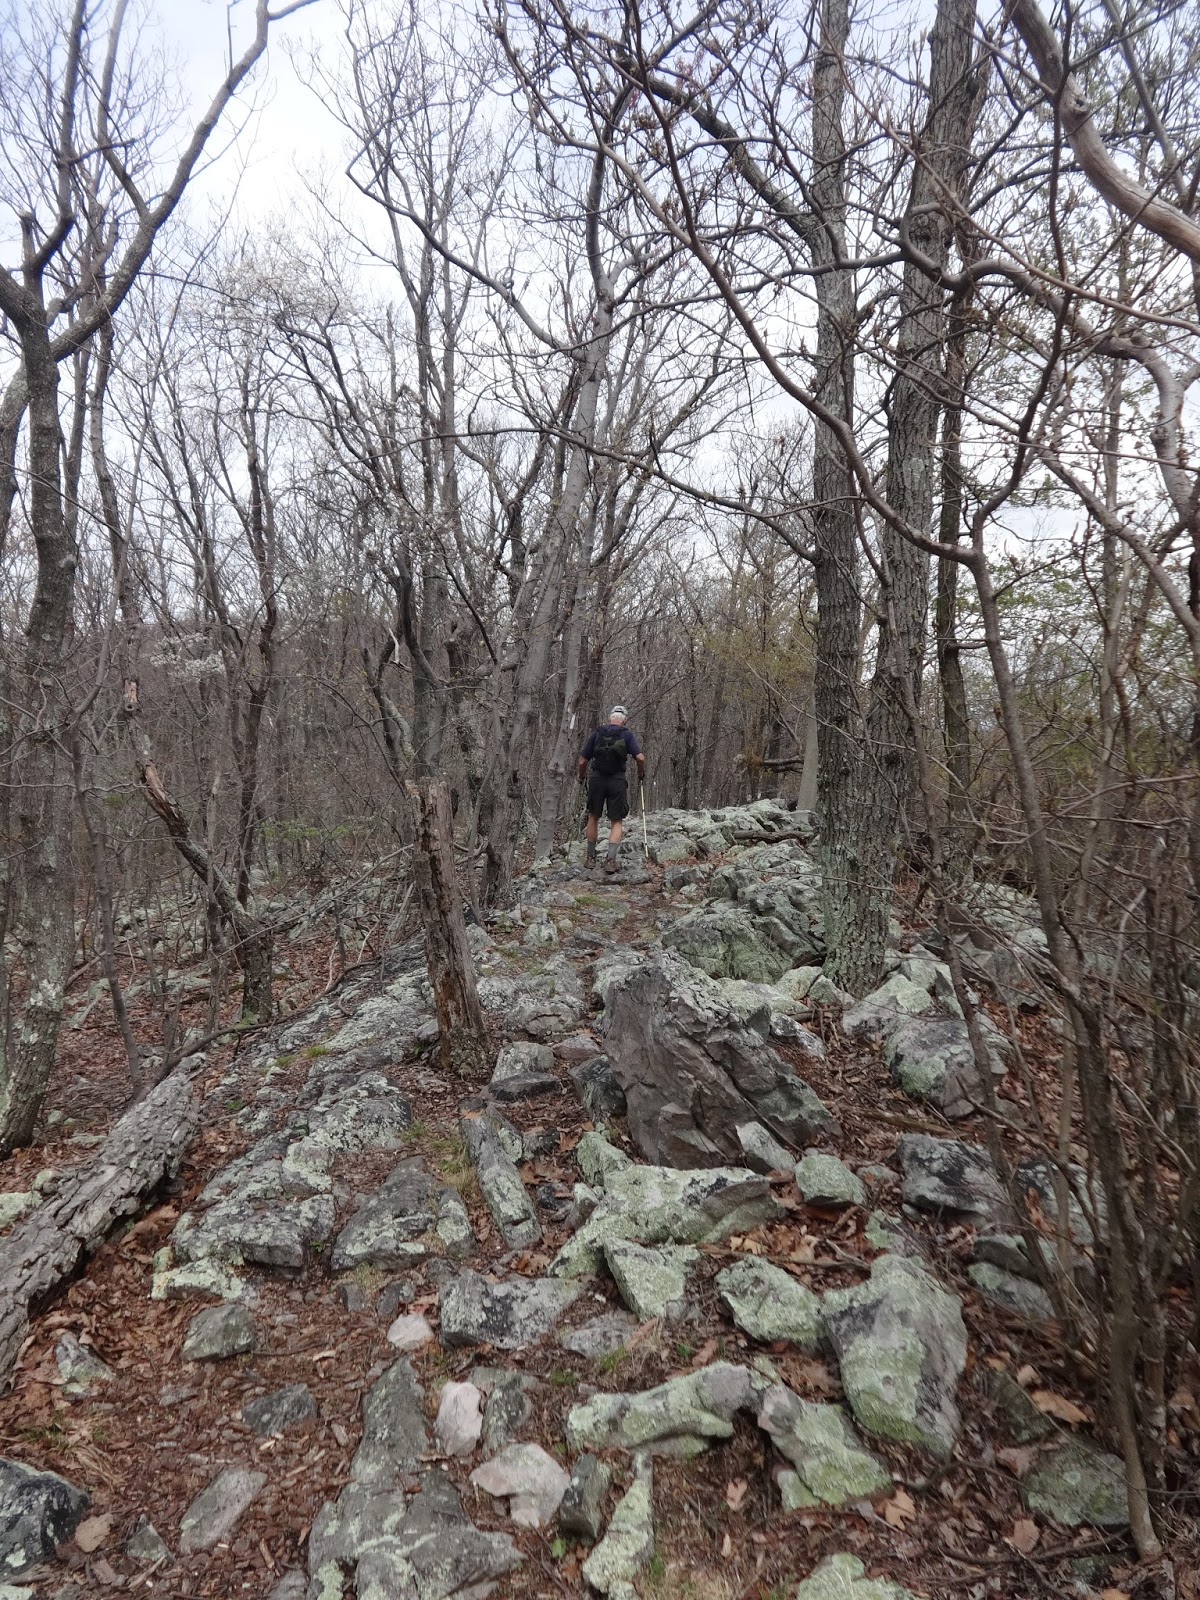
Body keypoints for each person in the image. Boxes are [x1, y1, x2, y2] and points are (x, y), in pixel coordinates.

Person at [577, 706, 645, 872]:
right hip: (617, 780)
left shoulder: (598, 733)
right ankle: (610, 860)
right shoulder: (626, 734)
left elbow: (582, 761)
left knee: (593, 816)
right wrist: (641, 773)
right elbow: (640, 757)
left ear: (610, 718)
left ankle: (591, 859)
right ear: (625, 720)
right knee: (616, 820)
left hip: (597, 779)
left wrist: (581, 776)